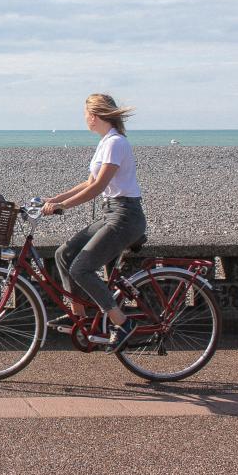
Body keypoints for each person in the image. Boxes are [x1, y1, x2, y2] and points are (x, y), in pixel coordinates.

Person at [42, 93, 146, 351]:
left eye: (86, 113)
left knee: (81, 268)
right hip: (112, 213)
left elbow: (98, 186)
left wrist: (63, 206)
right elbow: (89, 182)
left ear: (95, 115)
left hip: (125, 216)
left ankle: (122, 323)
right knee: (64, 254)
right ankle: (79, 317)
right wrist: (55, 198)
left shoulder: (116, 143)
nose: (85, 118)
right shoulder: (105, 142)